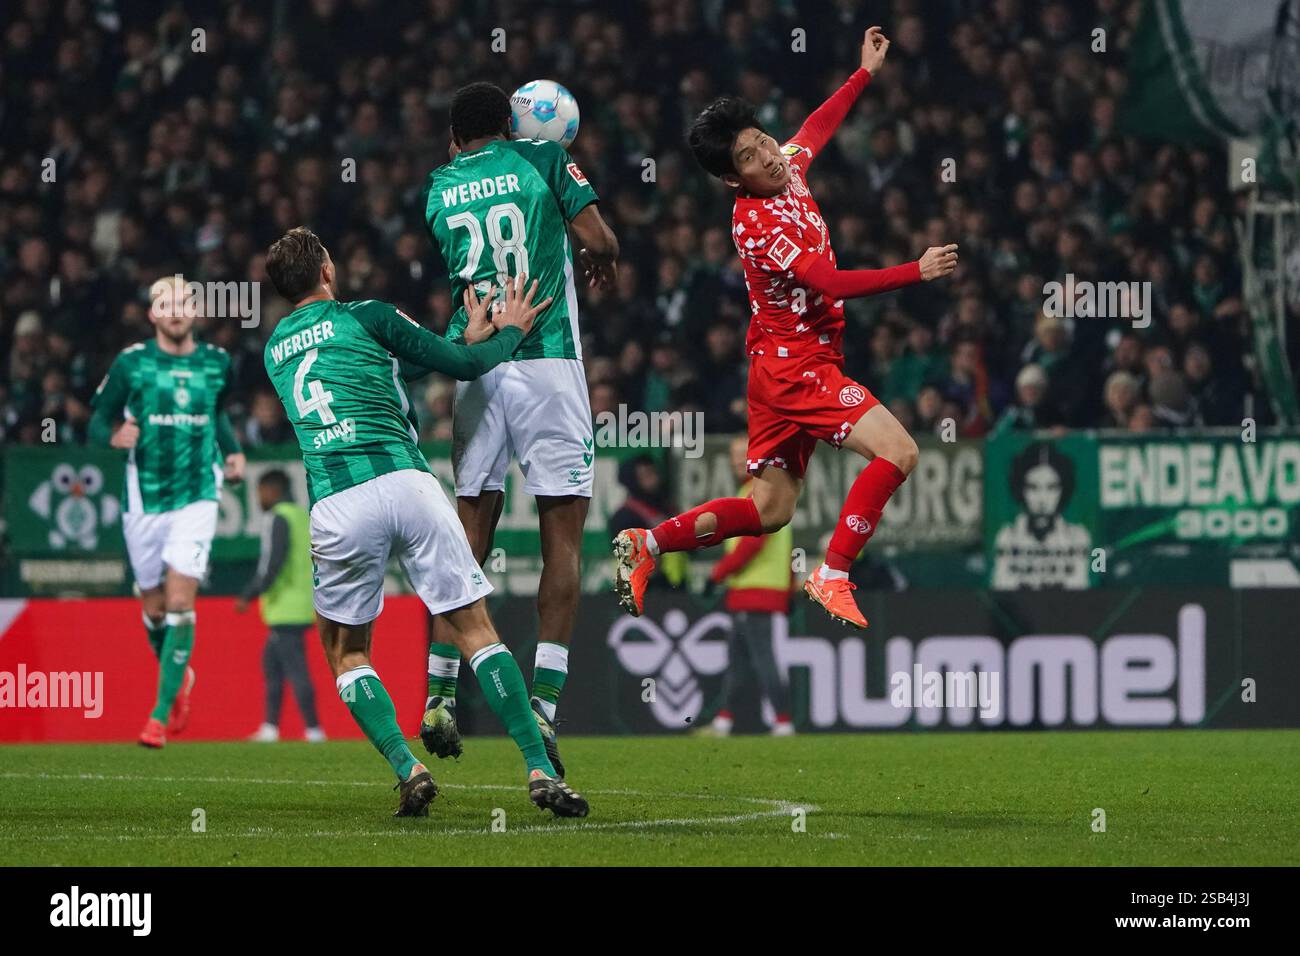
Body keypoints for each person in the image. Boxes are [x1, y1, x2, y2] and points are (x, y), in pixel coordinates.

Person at [614, 27, 958, 629]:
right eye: (748, 157)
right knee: (900, 451)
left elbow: (818, 127)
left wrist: (864, 72)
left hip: (776, 365)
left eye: (763, 141)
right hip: (798, 367)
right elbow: (827, 282)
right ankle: (834, 574)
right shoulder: (755, 223)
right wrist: (916, 270)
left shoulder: (787, 166)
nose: (768, 156)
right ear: (732, 179)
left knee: (771, 510)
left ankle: (649, 544)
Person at [261, 226, 587, 817]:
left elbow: (374, 371)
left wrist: (458, 335)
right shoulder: (369, 315)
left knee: (347, 653)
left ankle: (407, 767)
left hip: (339, 503)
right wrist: (506, 332)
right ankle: (538, 767)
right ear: (327, 272)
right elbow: (459, 364)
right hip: (409, 486)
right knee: (476, 631)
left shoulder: (274, 349)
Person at [416, 82, 620, 777]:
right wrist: (594, 249)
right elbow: (600, 237)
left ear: (452, 137)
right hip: (547, 360)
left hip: (476, 365)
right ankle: (543, 707)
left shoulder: (438, 188)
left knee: (467, 535)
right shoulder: (542, 159)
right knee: (562, 536)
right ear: (510, 124)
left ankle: (440, 693)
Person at [89, 275, 246, 748]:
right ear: (153, 314)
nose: (175, 310)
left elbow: (217, 414)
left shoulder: (218, 363)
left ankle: (157, 716)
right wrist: (112, 437)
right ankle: (178, 680)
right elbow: (98, 418)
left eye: (183, 302)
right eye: (165, 303)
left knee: (179, 603)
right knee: (154, 608)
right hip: (144, 500)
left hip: (198, 494)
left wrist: (232, 451)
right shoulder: (132, 364)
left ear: (195, 312)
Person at [699, 436, 795, 736]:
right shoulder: (758, 489)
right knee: (739, 660)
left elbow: (752, 544)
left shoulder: (759, 491)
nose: (738, 461)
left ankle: (783, 722)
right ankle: (724, 721)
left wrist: (718, 573)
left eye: (744, 455)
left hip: (756, 590)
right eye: (734, 456)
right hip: (750, 591)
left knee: (761, 658)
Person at [235, 468, 325, 743]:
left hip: (286, 606)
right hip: (301, 601)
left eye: (260, 491)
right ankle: (270, 727)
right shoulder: (302, 515)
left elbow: (274, 562)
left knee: (296, 669)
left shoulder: (279, 518)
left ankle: (314, 730)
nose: (259, 497)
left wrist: (249, 594)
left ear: (272, 491)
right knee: (272, 665)